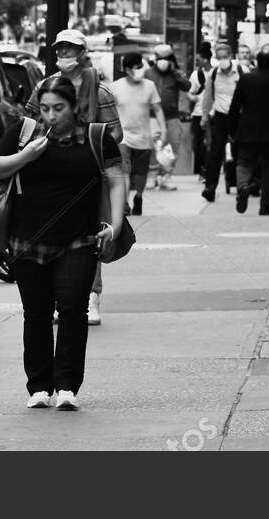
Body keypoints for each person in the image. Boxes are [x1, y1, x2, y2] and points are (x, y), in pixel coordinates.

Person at [0, 74, 127, 411]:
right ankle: (38, 386)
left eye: (59, 108)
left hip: (78, 240)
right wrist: (25, 157)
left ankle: (66, 386)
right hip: (26, 241)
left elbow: (116, 179)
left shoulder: (96, 136)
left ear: (74, 107)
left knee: (72, 311)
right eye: (46, 109)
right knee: (35, 314)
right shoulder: (24, 132)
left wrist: (116, 225)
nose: (51, 115)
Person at [26, 28, 120, 324]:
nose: (64, 55)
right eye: (60, 49)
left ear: (82, 53)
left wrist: (89, 143)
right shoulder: (46, 86)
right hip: (49, 172)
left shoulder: (99, 91)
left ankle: (91, 296)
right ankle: (59, 296)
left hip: (87, 175)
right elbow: (28, 125)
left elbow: (115, 132)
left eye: (70, 49)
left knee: (90, 233)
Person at [226, 43, 269, 215]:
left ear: (258, 61)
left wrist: (231, 130)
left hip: (247, 129)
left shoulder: (247, 78)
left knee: (244, 162)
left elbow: (235, 106)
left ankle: (243, 186)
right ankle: (265, 204)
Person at [111, 52, 168, 215]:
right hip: (123, 137)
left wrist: (163, 130)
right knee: (125, 171)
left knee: (141, 173)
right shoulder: (115, 87)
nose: (140, 70)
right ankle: (125, 203)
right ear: (127, 69)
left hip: (144, 137)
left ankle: (139, 196)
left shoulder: (149, 86)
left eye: (141, 67)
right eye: (137, 68)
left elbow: (158, 109)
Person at [197, 40, 240, 200]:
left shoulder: (241, 71)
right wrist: (204, 117)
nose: (222, 59)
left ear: (230, 56)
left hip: (238, 118)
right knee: (215, 153)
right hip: (220, 117)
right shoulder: (213, 74)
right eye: (219, 56)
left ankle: (240, 184)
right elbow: (207, 98)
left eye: (225, 56)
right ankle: (210, 187)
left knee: (239, 152)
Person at [150, 45, 192, 187]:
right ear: (155, 59)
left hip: (172, 116)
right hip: (152, 117)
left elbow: (187, 86)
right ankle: (153, 176)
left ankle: (166, 176)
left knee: (173, 146)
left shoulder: (176, 74)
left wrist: (176, 73)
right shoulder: (148, 73)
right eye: (160, 58)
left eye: (166, 59)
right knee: (153, 147)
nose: (163, 61)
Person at [187, 41, 213, 190]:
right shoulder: (196, 75)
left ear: (205, 59)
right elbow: (190, 93)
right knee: (198, 145)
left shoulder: (215, 72)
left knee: (210, 144)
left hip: (212, 114)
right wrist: (195, 98)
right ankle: (202, 169)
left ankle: (207, 170)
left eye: (199, 60)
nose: (198, 62)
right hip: (198, 113)